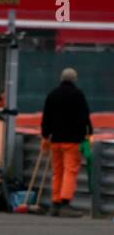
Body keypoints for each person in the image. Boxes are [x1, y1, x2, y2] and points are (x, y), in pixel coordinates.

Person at [41, 68, 93, 218]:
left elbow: (46, 117)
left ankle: (55, 203)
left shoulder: (52, 94)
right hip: (72, 140)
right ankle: (65, 203)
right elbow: (85, 116)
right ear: (74, 80)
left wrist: (45, 135)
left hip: (55, 140)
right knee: (70, 171)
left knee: (57, 172)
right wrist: (89, 133)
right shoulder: (78, 95)